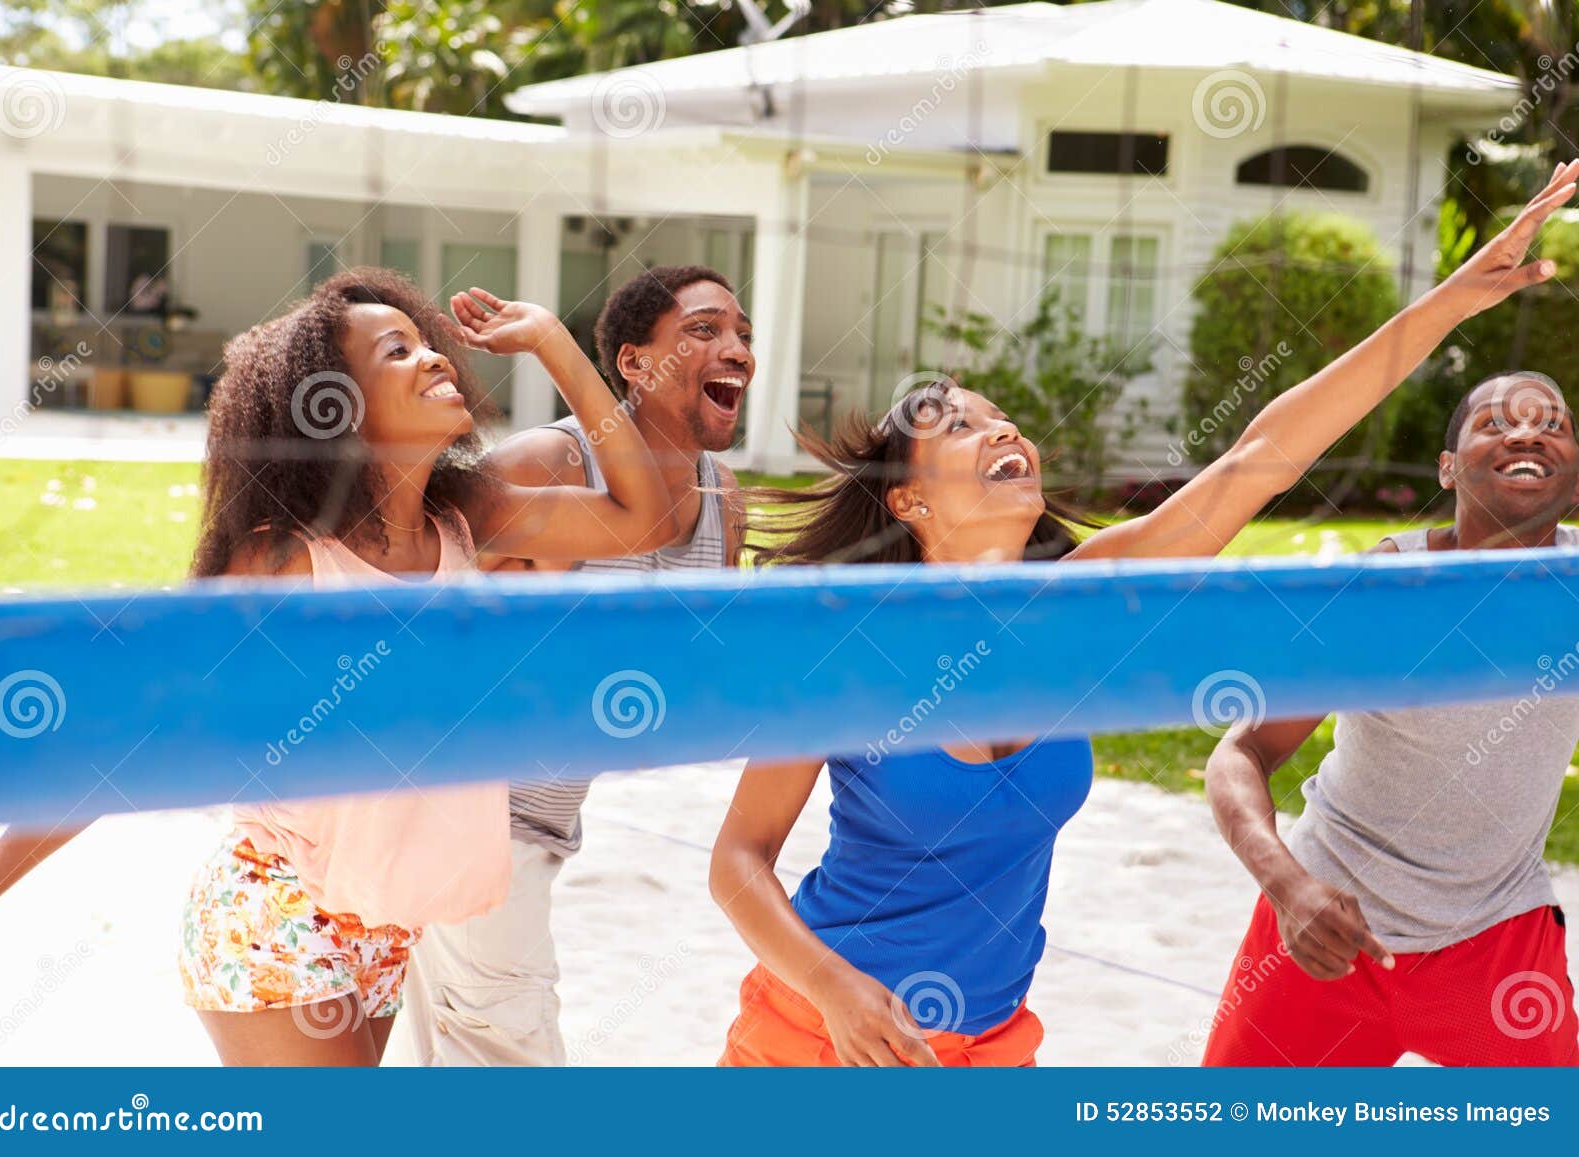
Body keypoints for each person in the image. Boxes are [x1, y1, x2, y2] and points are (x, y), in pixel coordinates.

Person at [708, 162, 1579, 1067]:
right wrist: (834, 991)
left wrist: (1450, 303)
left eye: (1004, 417)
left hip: (992, 1050)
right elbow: (738, 858)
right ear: (908, 501)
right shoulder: (852, 647)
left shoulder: (1085, 602)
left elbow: (1264, 456)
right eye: (964, 428)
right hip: (814, 1037)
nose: (1004, 430)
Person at [0, 268, 674, 1066]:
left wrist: (552, 341)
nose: (436, 359)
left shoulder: (463, 517)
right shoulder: (285, 562)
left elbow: (642, 516)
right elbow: (128, 734)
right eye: (397, 351)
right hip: (275, 917)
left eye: (427, 342)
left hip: (383, 927)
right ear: (337, 407)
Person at [404, 265, 750, 1066]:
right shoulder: (549, 464)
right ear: (632, 363)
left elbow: (693, 677)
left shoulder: (721, 496)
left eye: (742, 334)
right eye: (703, 330)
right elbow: (414, 620)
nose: (734, 348)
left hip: (544, 824)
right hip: (468, 815)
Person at [1202, 369, 1579, 1067]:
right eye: (1494, 422)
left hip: (1497, 932)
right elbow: (1240, 755)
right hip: (1331, 918)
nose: (1527, 431)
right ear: (1447, 467)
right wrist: (1290, 888)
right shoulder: (1378, 590)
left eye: (1551, 424)